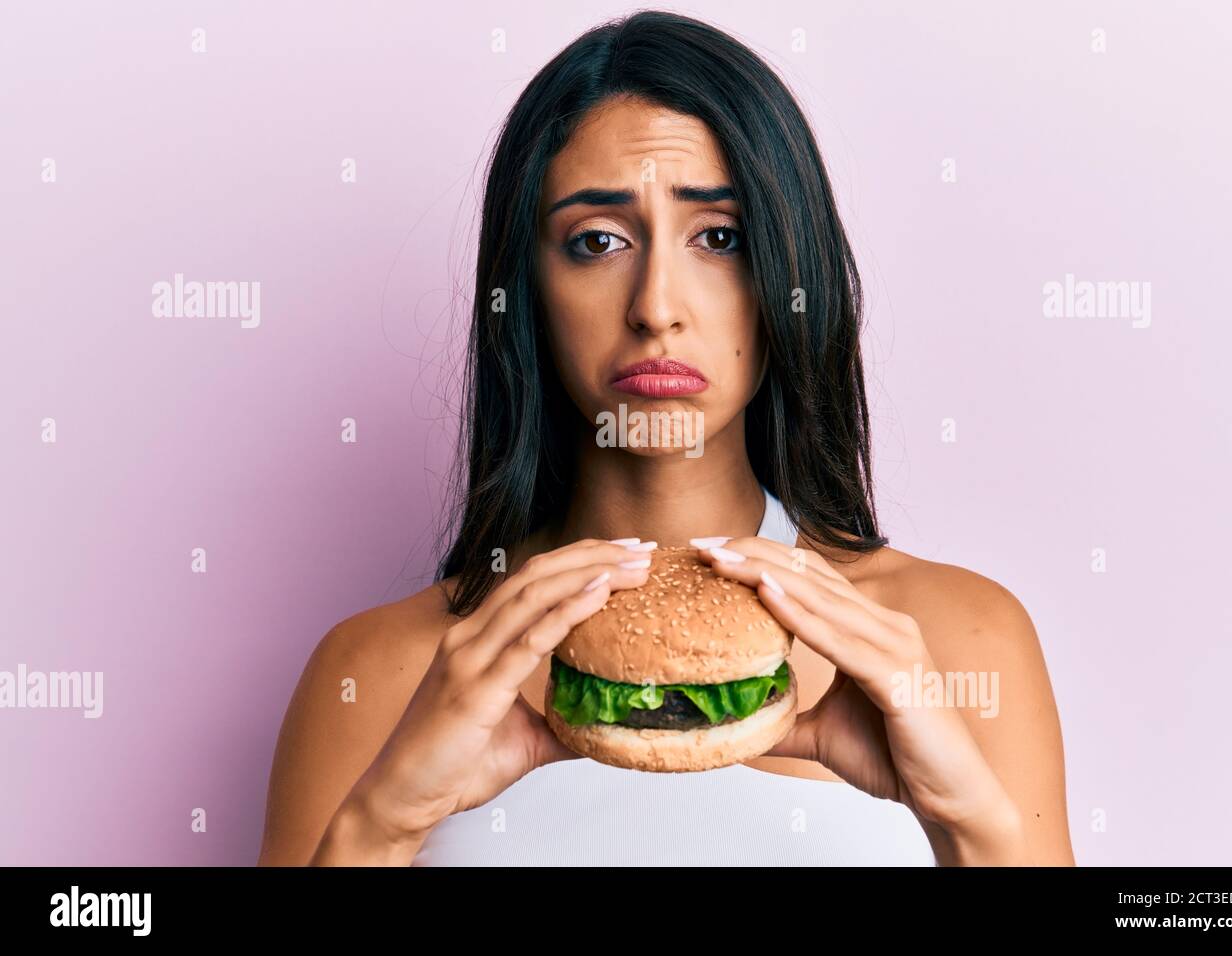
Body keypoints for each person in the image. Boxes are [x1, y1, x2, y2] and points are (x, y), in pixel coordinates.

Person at [257, 10, 1074, 867]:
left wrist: (971, 831)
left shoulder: (957, 638)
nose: (655, 306)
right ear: (525, 286)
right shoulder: (383, 669)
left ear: (791, 270)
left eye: (718, 237)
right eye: (597, 241)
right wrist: (377, 827)